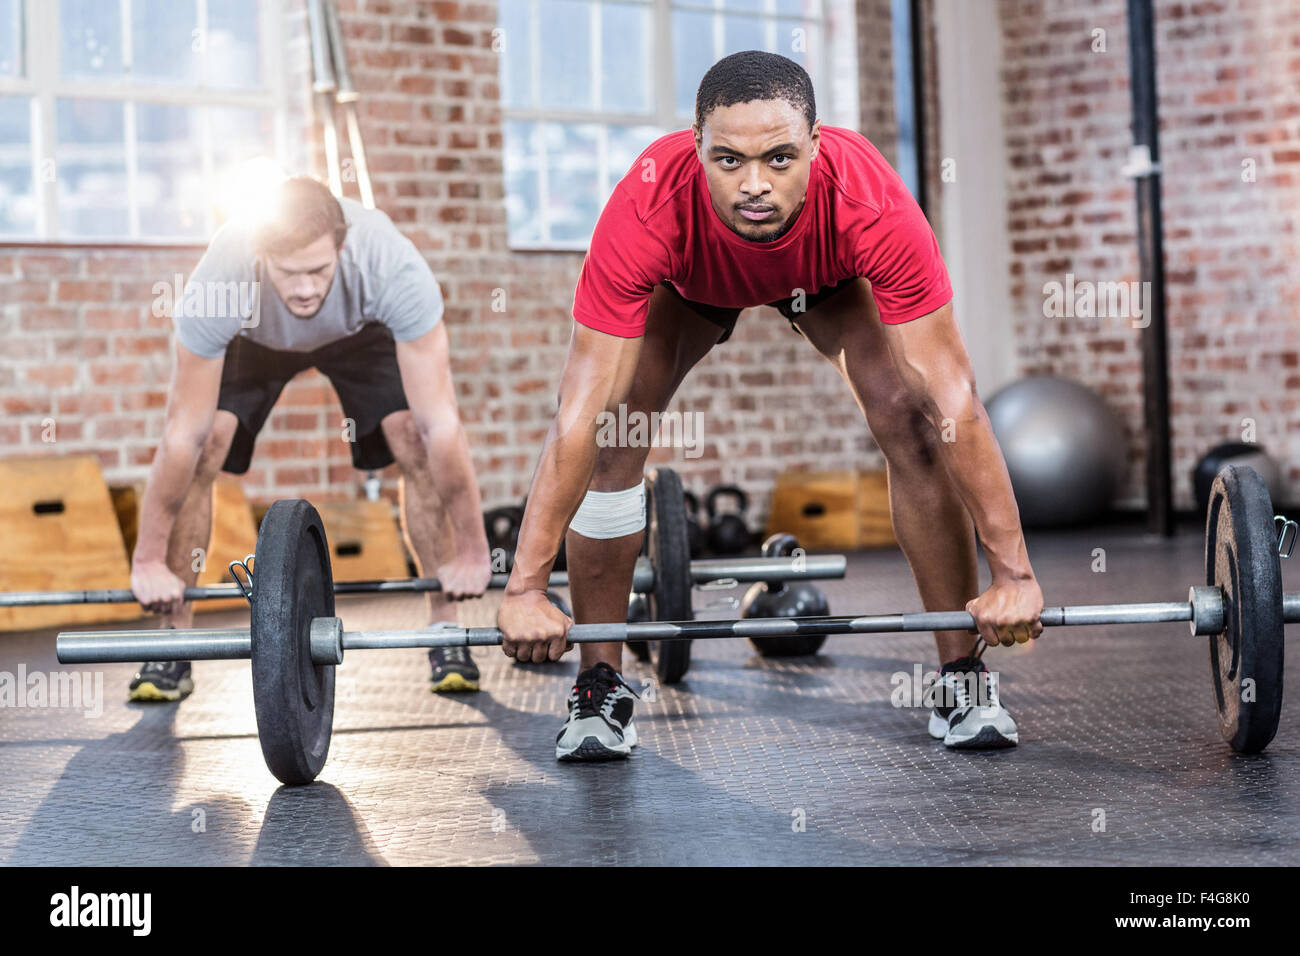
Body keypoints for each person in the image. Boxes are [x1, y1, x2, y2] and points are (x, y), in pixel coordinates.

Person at [496, 51, 1046, 761]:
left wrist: (1018, 577)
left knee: (910, 422)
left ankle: (961, 677)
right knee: (612, 433)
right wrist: (526, 587)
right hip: (689, 287)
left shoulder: (868, 201)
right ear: (694, 144)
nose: (754, 185)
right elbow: (577, 410)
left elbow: (956, 401)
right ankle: (600, 684)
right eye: (727, 160)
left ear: (818, 145)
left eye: (780, 158)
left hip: (827, 279)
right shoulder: (648, 205)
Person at [127, 176, 492, 700]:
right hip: (254, 340)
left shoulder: (391, 267)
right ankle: (172, 642)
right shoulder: (221, 281)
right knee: (207, 447)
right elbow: (182, 433)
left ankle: (445, 626)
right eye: (288, 272)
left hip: (357, 334)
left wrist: (477, 551)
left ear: (342, 249)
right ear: (260, 256)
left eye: (319, 270)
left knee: (412, 436)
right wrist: (147, 560)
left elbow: (443, 425)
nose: (304, 288)